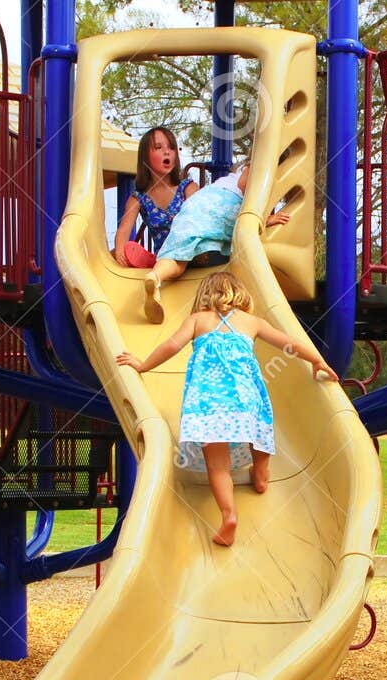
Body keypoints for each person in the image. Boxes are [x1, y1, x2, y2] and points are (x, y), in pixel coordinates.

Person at [116, 271, 336, 547]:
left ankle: (229, 515)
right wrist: (317, 361)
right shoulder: (252, 322)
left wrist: (143, 364)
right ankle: (260, 474)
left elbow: (172, 345)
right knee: (260, 435)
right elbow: (289, 343)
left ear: (204, 296)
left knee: (218, 467)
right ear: (241, 295)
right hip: (246, 399)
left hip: (208, 404)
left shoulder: (197, 320)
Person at [140, 164, 290, 323]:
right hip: (223, 203)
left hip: (193, 207)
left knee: (176, 258)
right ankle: (204, 255)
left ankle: (156, 277)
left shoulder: (227, 177)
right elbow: (245, 187)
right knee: (232, 240)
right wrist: (262, 219)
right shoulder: (256, 166)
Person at [113, 126, 197, 270]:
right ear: (145, 157)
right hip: (164, 260)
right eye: (158, 147)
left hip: (189, 253)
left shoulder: (188, 188)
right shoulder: (140, 198)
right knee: (118, 252)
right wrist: (120, 251)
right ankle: (152, 261)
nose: (167, 151)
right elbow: (124, 230)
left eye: (171, 147)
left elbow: (199, 221)